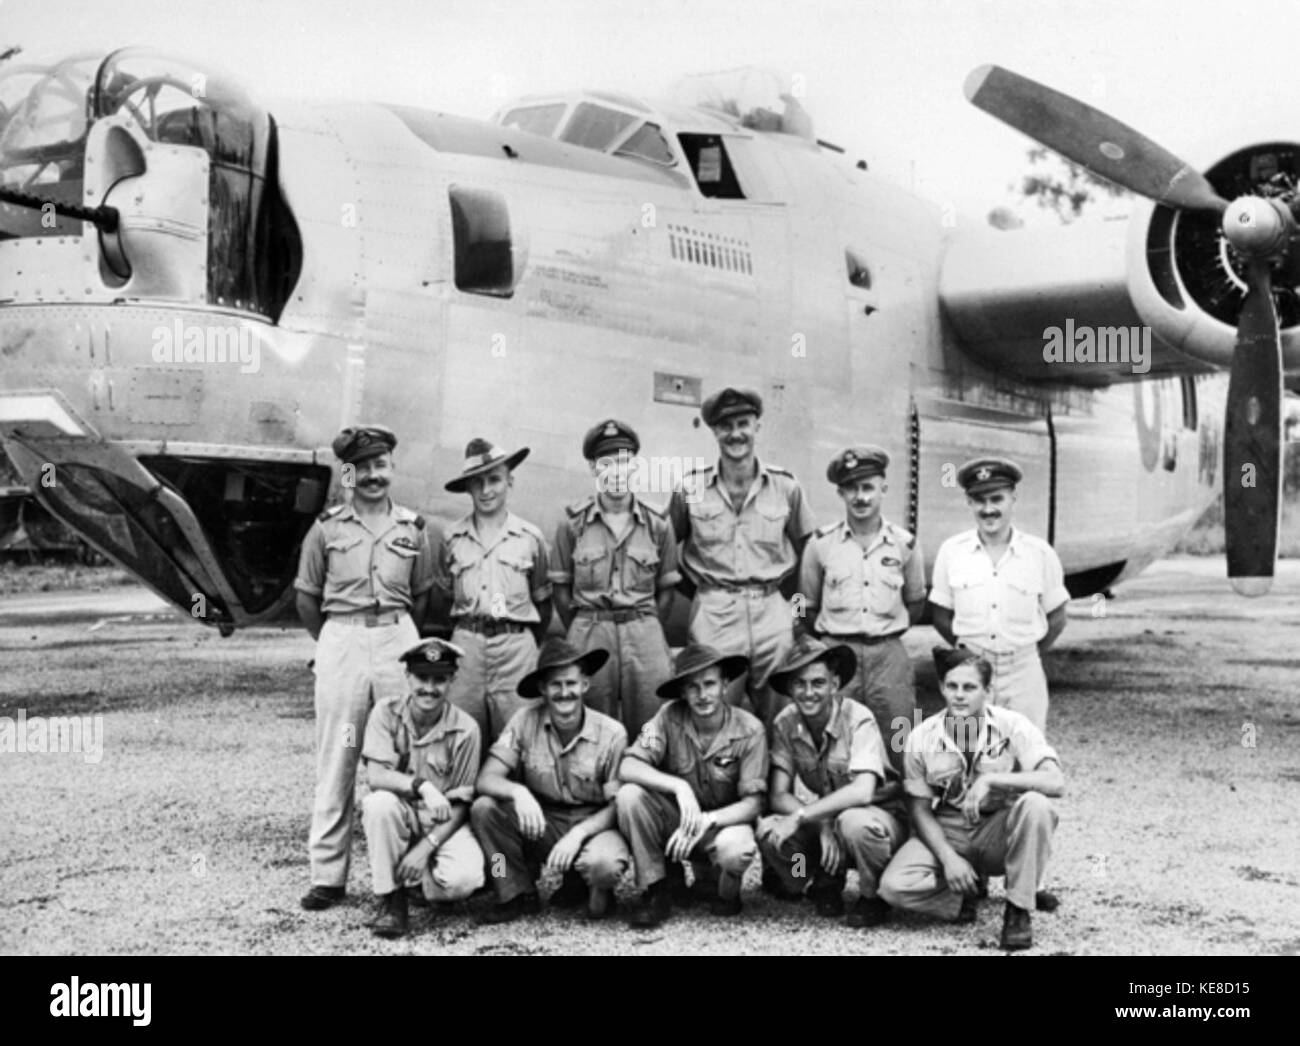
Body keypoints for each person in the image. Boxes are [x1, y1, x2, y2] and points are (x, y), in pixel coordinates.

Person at [294, 424, 436, 911]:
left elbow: (423, 593)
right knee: (338, 756)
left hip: (398, 636)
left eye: (381, 466)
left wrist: (390, 632)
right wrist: (339, 641)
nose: (373, 476)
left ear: (392, 469)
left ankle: (415, 873)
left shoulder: (413, 529)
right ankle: (328, 876)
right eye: (362, 467)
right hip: (344, 638)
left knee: (407, 752)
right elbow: (307, 597)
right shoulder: (327, 529)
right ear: (347, 473)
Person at [878, 646, 1065, 951]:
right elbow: (919, 808)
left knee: (1037, 806)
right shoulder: (921, 736)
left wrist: (992, 779)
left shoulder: (1013, 725)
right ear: (941, 688)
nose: (960, 695)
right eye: (952, 686)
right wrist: (949, 860)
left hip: (998, 827)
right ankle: (961, 897)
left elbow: (1055, 782)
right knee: (894, 887)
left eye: (970, 687)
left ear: (988, 691)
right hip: (951, 826)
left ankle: (1018, 909)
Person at [668, 387, 816, 723]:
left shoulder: (786, 488)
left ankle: (780, 777)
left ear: (757, 427)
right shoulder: (690, 489)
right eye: (726, 426)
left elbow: (808, 554)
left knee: (784, 716)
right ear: (714, 431)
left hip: (772, 614)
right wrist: (701, 597)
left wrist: (791, 613)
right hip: (714, 614)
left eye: (743, 423)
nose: (736, 434)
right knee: (713, 715)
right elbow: (665, 551)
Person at [471, 638, 631, 923]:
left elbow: (618, 806)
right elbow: (486, 779)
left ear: (585, 685)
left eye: (571, 683)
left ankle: (587, 883)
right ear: (543, 689)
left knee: (603, 867)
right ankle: (509, 888)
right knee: (483, 810)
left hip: (594, 825)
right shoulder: (523, 721)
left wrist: (578, 834)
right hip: (543, 821)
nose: (564, 692)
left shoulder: (612, 733)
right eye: (555, 685)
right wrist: (519, 792)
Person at [756, 635, 906, 928]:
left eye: (818, 683)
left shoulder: (858, 718)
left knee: (854, 823)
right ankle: (811, 879)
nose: (808, 692)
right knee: (769, 831)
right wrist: (821, 823)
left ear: (834, 685)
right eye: (799, 684)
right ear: (790, 688)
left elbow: (863, 792)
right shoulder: (786, 722)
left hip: (880, 818)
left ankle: (872, 896)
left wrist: (803, 815)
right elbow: (777, 794)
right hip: (830, 816)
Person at [616, 644, 767, 927]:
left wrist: (707, 820)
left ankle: (725, 893)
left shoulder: (751, 730)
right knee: (629, 796)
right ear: (683, 692)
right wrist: (678, 787)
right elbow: (629, 765)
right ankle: (656, 889)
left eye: (709, 684)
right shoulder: (665, 717)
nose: (702, 695)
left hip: (722, 823)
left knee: (736, 850)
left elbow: (754, 803)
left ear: (725, 685)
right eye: (693, 687)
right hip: (679, 822)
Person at [796, 446, 925, 768]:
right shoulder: (820, 544)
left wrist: (886, 633)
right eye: (852, 488)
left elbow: (916, 602)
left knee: (900, 736)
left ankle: (902, 808)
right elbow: (803, 603)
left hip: (888, 656)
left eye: (868, 487)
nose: (861, 497)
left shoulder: (904, 544)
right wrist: (817, 643)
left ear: (883, 488)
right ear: (841, 492)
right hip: (839, 656)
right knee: (836, 740)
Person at [551, 419, 679, 739]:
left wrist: (642, 623)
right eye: (607, 464)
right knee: (592, 724)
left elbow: (666, 591)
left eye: (623, 462)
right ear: (595, 469)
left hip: (643, 631)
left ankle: (645, 787)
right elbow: (561, 592)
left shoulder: (657, 524)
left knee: (653, 721)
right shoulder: (573, 525)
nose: (616, 472)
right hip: (591, 631)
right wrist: (587, 625)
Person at [927, 457, 1069, 733]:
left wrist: (1025, 652)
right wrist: (968, 654)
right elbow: (940, 615)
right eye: (980, 500)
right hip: (971, 670)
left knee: (1025, 753)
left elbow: (1058, 617)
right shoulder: (952, 551)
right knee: (968, 751)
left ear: (1013, 498)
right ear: (969, 502)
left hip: (1023, 671)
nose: (989, 509)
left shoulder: (1039, 553)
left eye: (997, 499)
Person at [359, 638, 485, 938]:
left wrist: (425, 848)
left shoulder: (466, 728)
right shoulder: (385, 712)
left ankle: (416, 879)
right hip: (400, 812)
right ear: (407, 677)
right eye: (422, 678)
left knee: (463, 881)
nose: (429, 688)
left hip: (439, 821)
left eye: (439, 679)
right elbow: (376, 776)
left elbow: (463, 804)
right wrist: (421, 785)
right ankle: (392, 900)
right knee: (378, 805)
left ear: (452, 681)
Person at [439, 438, 552, 745]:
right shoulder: (452, 538)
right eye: (477, 483)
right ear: (467, 489)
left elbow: (543, 602)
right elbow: (445, 598)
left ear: (509, 482)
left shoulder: (530, 538)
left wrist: (519, 637)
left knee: (520, 738)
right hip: (467, 649)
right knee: (461, 735)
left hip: (515, 649)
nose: (486, 490)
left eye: (494, 480)